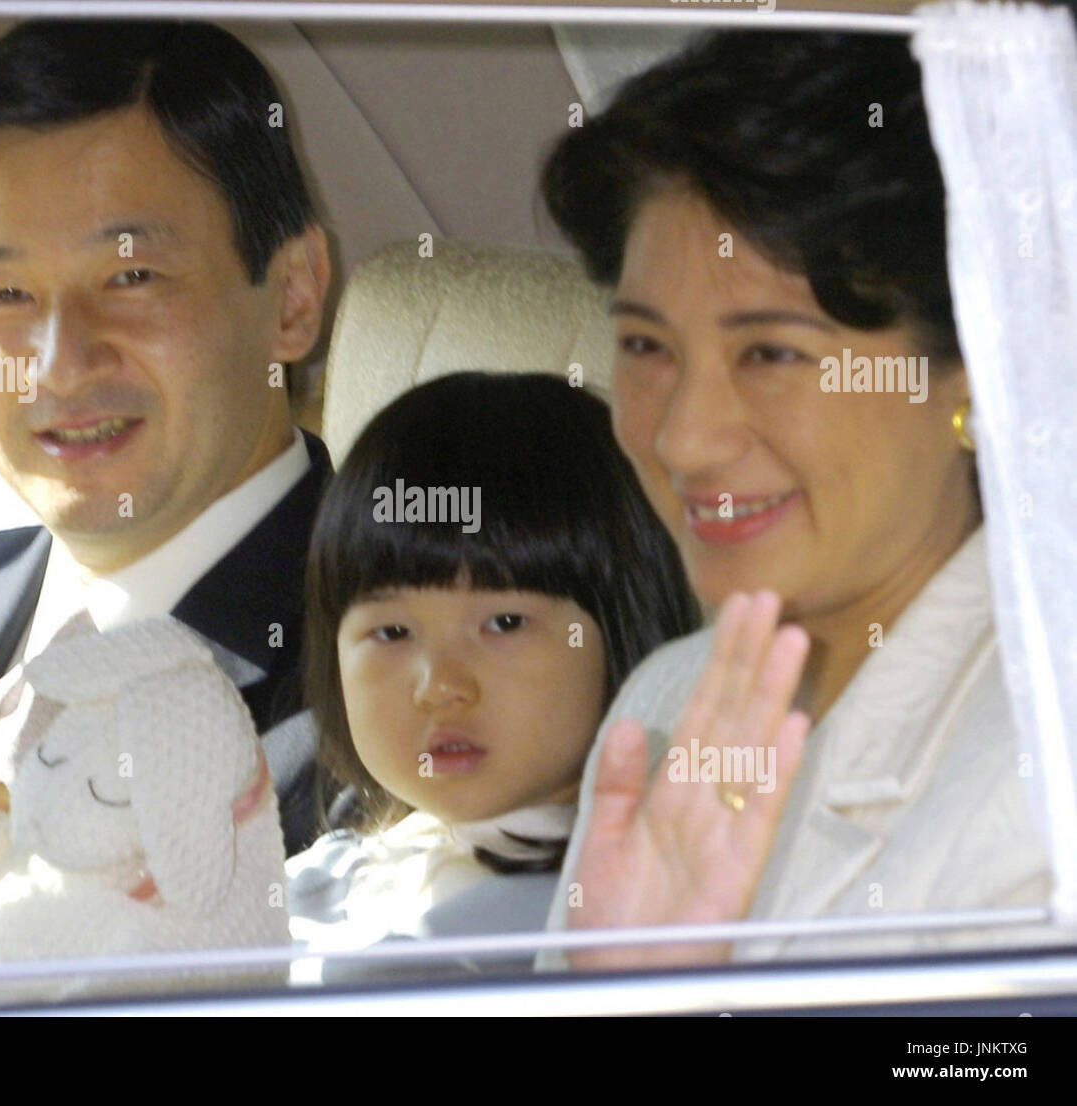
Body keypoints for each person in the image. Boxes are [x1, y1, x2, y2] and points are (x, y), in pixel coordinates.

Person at [537, 30, 1057, 966]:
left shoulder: (1045, 776)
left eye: (771, 354)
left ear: (973, 367)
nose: (681, 437)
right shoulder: (663, 703)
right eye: (648, 347)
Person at [0, 19, 335, 968]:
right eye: (3, 298)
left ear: (293, 297)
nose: (60, 366)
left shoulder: (410, 686)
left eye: (132, 276)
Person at [285, 372, 698, 980]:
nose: (440, 685)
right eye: (392, 633)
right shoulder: (330, 872)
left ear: (623, 627)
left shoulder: (598, 918)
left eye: (505, 622)